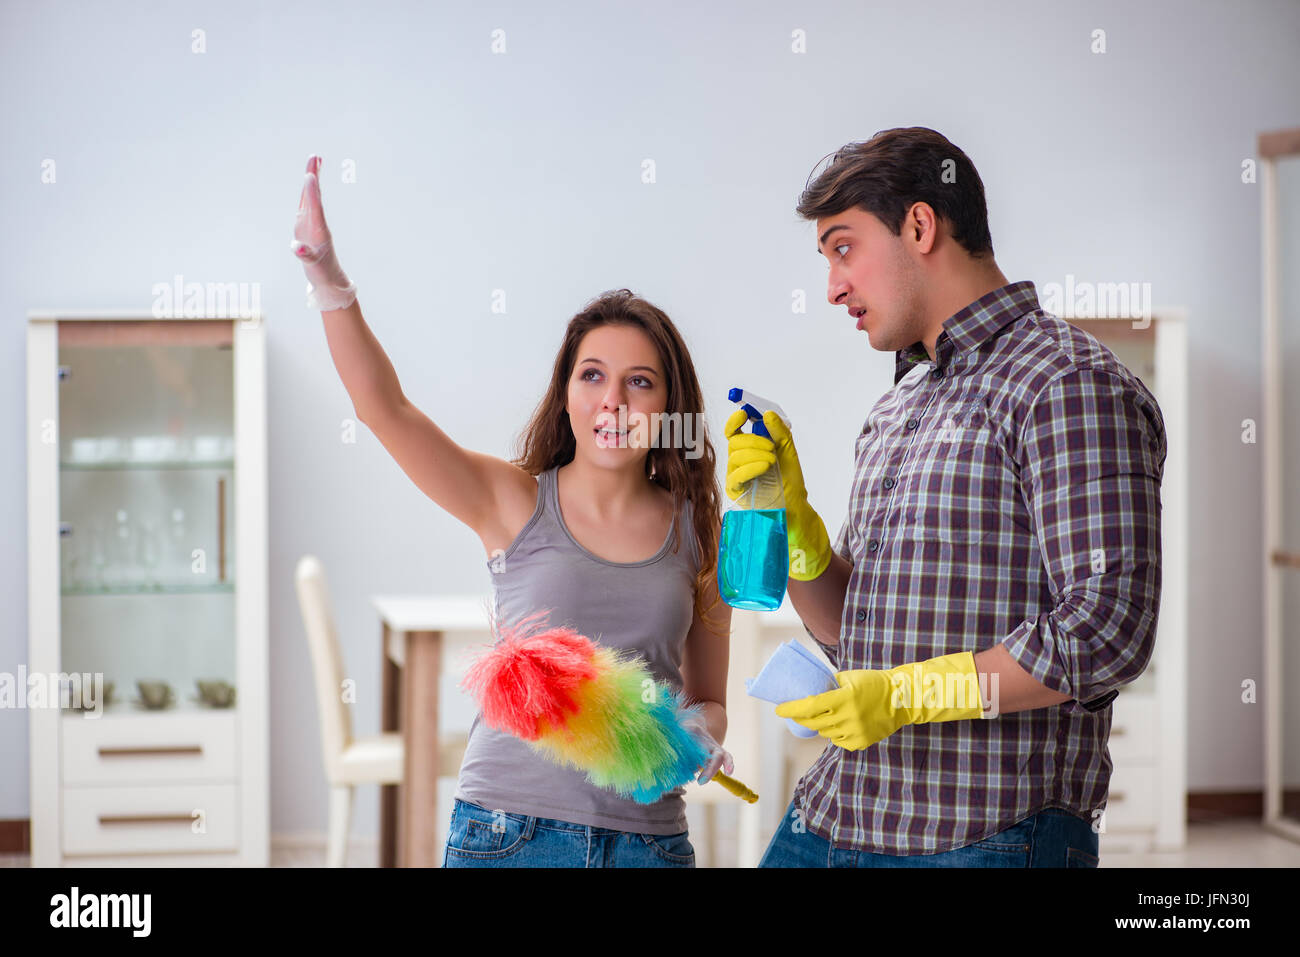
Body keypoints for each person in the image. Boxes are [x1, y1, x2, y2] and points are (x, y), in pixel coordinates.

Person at [725, 128, 1166, 867]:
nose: (833, 286)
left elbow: (1108, 630)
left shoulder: (1064, 383)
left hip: (983, 835)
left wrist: (908, 696)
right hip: (836, 814)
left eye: (843, 248)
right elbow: (851, 633)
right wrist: (795, 524)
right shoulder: (900, 406)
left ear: (920, 226)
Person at [289, 154, 734, 867]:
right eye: (592, 376)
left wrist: (702, 735)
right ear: (566, 394)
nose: (612, 401)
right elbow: (385, 410)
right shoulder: (512, 499)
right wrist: (327, 278)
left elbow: (710, 698)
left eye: (639, 382)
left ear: (668, 406)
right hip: (509, 834)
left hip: (649, 843)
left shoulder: (702, 531)